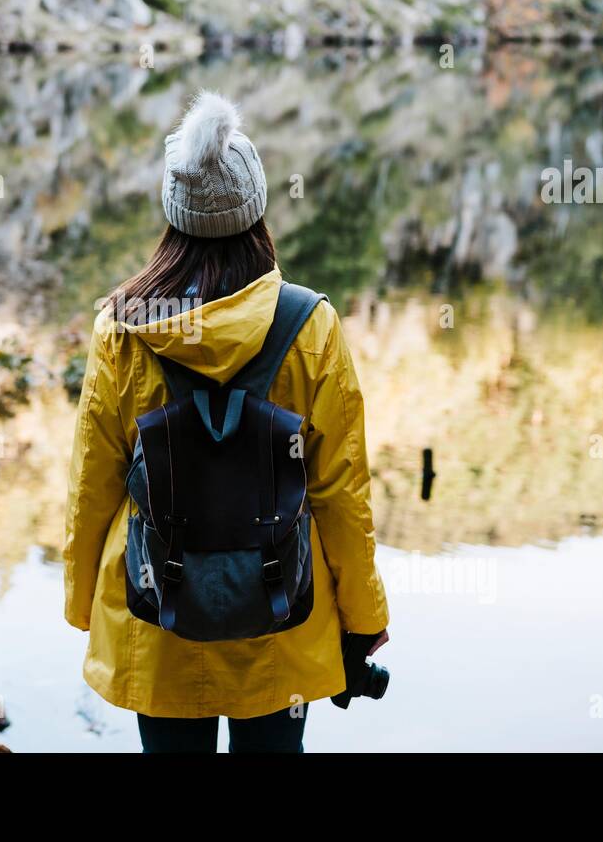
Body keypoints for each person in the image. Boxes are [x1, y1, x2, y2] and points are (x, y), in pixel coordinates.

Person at [63, 91, 389, 753]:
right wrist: (364, 618)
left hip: (158, 620)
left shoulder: (122, 331)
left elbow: (93, 485)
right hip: (281, 621)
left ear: (172, 216)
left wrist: (82, 602)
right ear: (256, 211)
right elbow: (340, 496)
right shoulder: (311, 326)